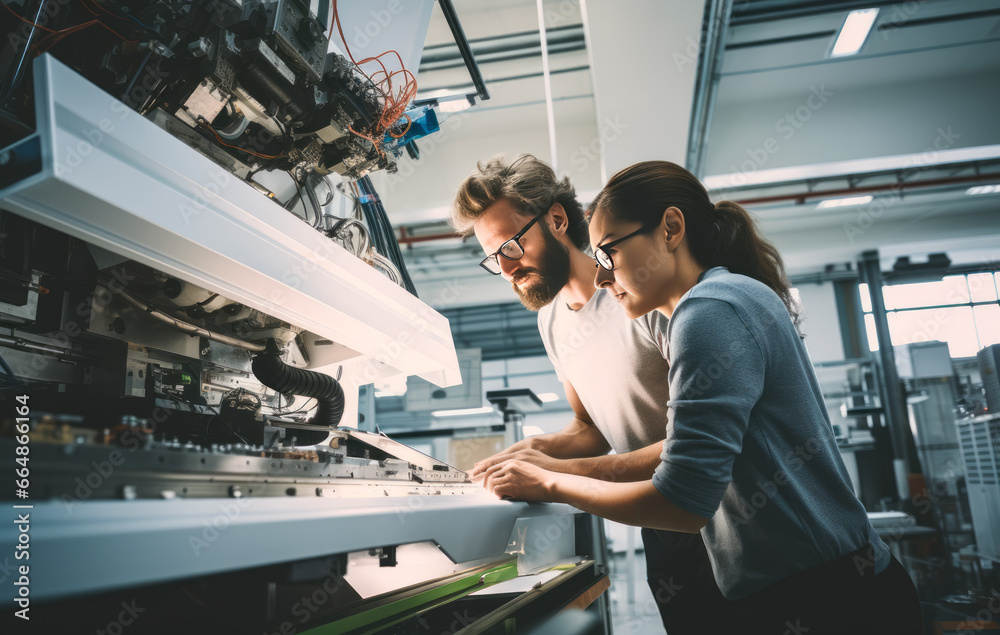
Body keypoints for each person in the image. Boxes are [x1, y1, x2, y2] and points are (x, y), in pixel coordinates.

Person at [480, 160, 924, 634]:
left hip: (826, 594)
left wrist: (551, 482)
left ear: (671, 229)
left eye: (609, 254)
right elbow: (613, 440)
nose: (603, 280)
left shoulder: (709, 311)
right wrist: (536, 456)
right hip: (799, 583)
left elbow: (683, 501)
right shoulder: (719, 299)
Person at [450, 154, 729, 633]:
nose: (507, 268)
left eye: (512, 247)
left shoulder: (643, 290)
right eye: (493, 258)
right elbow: (590, 428)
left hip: (723, 507)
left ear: (557, 219)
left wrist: (554, 474)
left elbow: (701, 439)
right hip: (659, 519)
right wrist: (531, 451)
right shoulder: (551, 320)